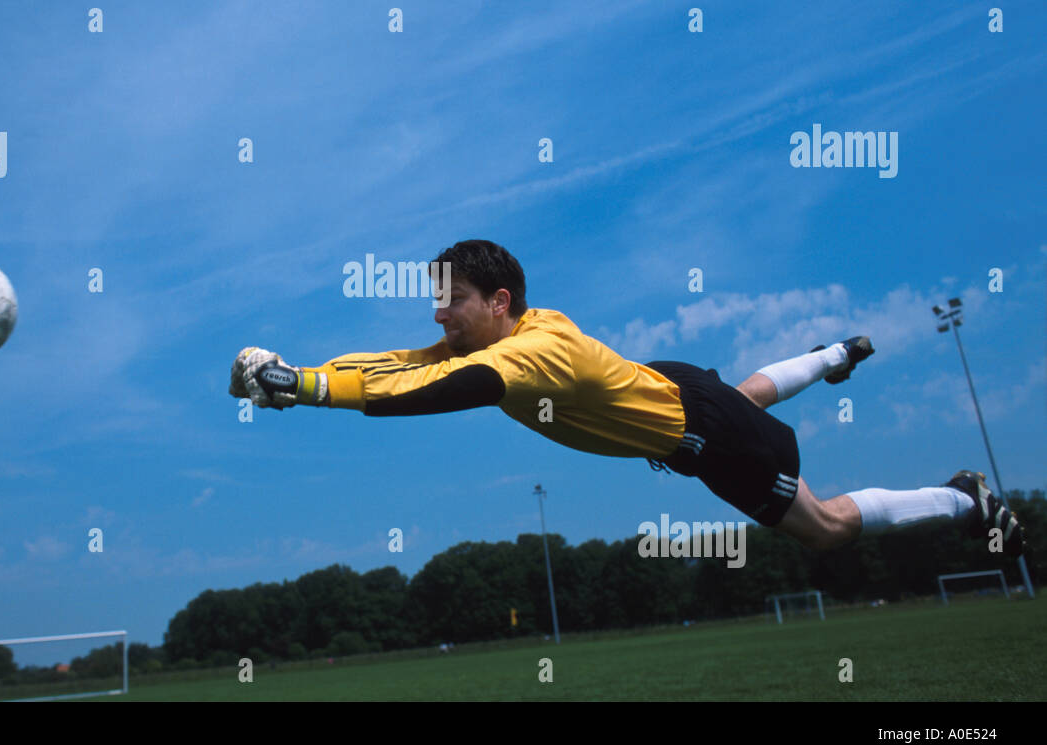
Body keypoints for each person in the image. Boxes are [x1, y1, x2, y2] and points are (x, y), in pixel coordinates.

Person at [228, 239, 1024, 556]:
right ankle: (830, 355)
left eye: (454, 301)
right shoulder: (503, 330)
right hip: (673, 390)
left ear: (499, 301)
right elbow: (399, 362)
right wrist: (298, 381)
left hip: (710, 440)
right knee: (737, 393)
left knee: (826, 528)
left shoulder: (528, 354)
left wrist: (304, 396)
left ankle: (962, 498)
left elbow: (454, 390)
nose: (439, 316)